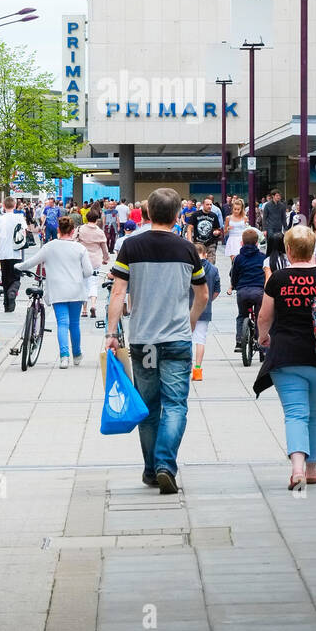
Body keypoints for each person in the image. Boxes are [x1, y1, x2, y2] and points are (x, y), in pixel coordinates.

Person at [105, 187, 208, 494]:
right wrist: (189, 321)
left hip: (144, 342)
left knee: (149, 406)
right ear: (178, 215)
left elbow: (118, 292)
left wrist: (112, 333)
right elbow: (202, 293)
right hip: (177, 339)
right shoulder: (187, 249)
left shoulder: (130, 247)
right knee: (176, 404)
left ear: (147, 212)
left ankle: (151, 469)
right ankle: (165, 464)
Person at [256, 225, 316, 491]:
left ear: (288, 250)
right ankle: (312, 470)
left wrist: (263, 337)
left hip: (285, 355)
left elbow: (264, 316)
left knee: (294, 413)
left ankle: (296, 469)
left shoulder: (276, 278)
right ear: (312, 249)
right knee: (313, 414)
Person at [17, 215, 91, 368]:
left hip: (58, 290)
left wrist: (17, 267)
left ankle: (64, 357)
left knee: (62, 323)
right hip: (76, 289)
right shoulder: (80, 248)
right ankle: (77, 354)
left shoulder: (49, 247)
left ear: (58, 230)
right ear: (73, 231)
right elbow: (89, 271)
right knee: (74, 324)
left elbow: (30, 263)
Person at [227, 227, 267, 351]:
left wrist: (234, 285)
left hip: (242, 291)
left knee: (242, 315)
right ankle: (260, 341)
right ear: (257, 243)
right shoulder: (262, 257)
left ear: (242, 243)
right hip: (258, 291)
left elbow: (234, 274)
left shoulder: (238, 258)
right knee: (260, 315)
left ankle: (239, 341)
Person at [0, 198, 27, 313]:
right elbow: (23, 234)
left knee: (5, 278)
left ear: (3, 206)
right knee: (16, 276)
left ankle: (7, 305)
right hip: (16, 251)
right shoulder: (19, 218)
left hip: (2, 252)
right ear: (15, 205)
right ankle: (13, 291)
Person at [191, 240, 220, 382]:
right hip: (205, 309)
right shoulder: (213, 270)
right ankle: (197, 370)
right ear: (205, 254)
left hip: (188, 309)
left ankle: (186, 368)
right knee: (200, 340)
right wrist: (207, 301)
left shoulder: (189, 268)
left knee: (186, 340)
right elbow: (216, 290)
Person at [77, 207, 110, 319]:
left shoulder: (80, 229)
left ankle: (84, 310)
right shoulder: (100, 232)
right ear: (97, 219)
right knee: (93, 284)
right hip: (95, 260)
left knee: (83, 285)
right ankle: (94, 305)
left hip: (82, 260)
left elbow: (74, 242)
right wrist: (106, 258)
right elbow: (104, 248)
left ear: (86, 218)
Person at [186, 196, 224, 264]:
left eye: (210, 205)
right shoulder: (196, 214)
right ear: (203, 205)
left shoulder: (214, 216)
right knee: (198, 263)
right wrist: (190, 240)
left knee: (211, 264)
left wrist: (217, 232)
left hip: (210, 243)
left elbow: (217, 229)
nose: (209, 206)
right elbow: (189, 227)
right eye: (207, 204)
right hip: (198, 243)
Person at [261, 190, 289, 272]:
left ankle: (279, 258)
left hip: (278, 227)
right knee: (271, 243)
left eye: (279, 196)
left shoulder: (282, 206)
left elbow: (283, 218)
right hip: (270, 227)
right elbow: (264, 218)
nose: (278, 197)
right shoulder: (267, 205)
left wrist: (286, 229)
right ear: (273, 196)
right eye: (277, 196)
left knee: (279, 242)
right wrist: (264, 229)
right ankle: (269, 258)